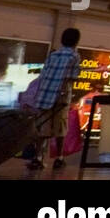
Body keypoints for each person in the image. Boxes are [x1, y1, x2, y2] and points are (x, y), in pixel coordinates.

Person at [25, 28, 81, 171]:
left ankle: (38, 158)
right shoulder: (74, 56)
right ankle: (59, 158)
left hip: (44, 95)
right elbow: (71, 77)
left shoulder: (53, 55)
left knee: (43, 127)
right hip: (60, 96)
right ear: (76, 41)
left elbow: (44, 74)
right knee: (60, 128)